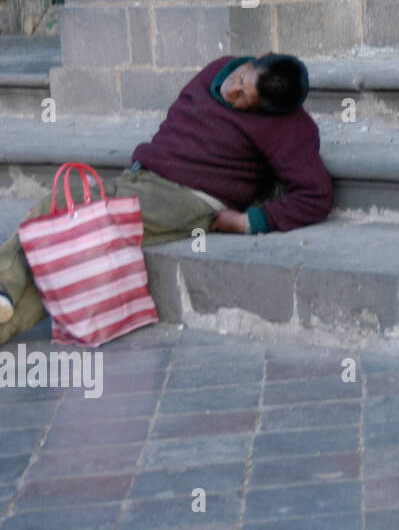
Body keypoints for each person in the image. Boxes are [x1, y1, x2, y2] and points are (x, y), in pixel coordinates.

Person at [0, 53, 333, 344]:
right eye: (242, 79)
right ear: (255, 59)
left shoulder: (289, 125)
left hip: (187, 198)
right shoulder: (216, 69)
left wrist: (250, 222)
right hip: (143, 178)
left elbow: (316, 195)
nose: (233, 90)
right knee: (71, 248)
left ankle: (3, 287)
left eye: (245, 98)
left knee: (65, 206)